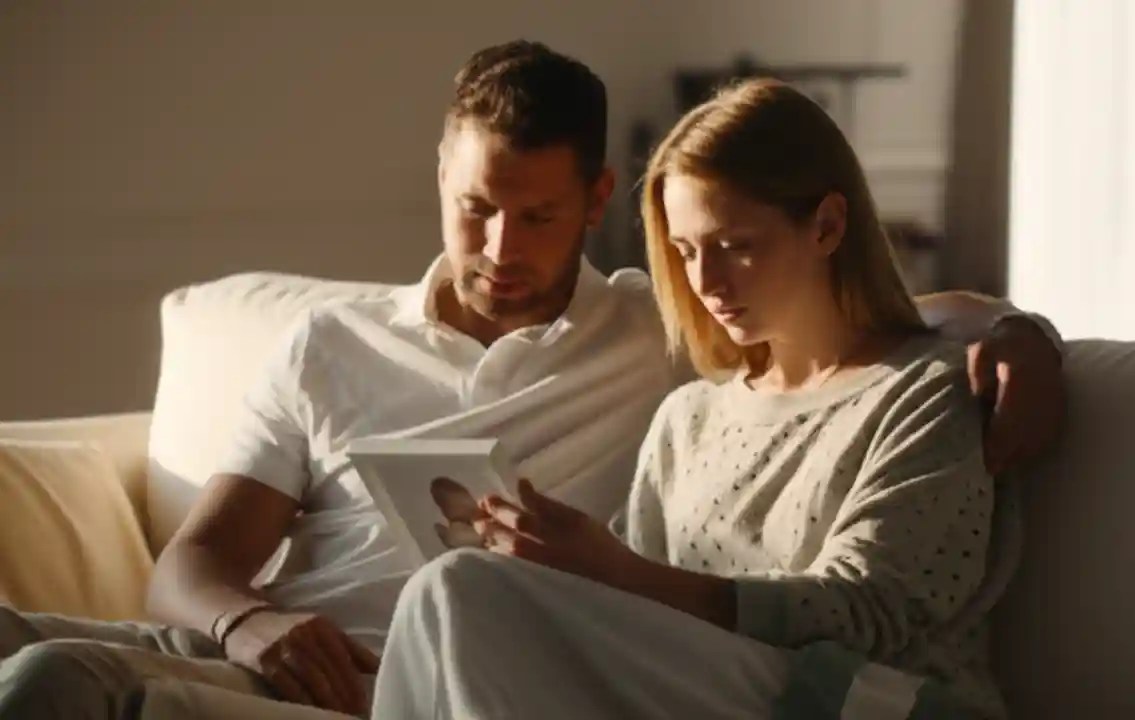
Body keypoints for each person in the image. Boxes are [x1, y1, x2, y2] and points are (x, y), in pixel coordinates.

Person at [0, 42, 1061, 720]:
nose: (500, 246)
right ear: (439, 179)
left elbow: (843, 326)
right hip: (272, 652)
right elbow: (191, 565)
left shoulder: (647, 330)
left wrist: (1016, 328)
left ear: (596, 198)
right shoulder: (329, 345)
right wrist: (252, 625)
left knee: (59, 690)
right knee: (24, 649)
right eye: (475, 208)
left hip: (405, 685)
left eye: (540, 216)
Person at [372, 77, 1024, 719]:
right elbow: (638, 627)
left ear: (826, 226)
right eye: (685, 252)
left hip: (859, 700)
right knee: (449, 590)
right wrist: (579, 573)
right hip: (699, 698)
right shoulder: (689, 419)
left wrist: (620, 573)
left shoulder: (923, 396)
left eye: (735, 248)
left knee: (459, 589)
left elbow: (866, 613)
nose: (706, 281)